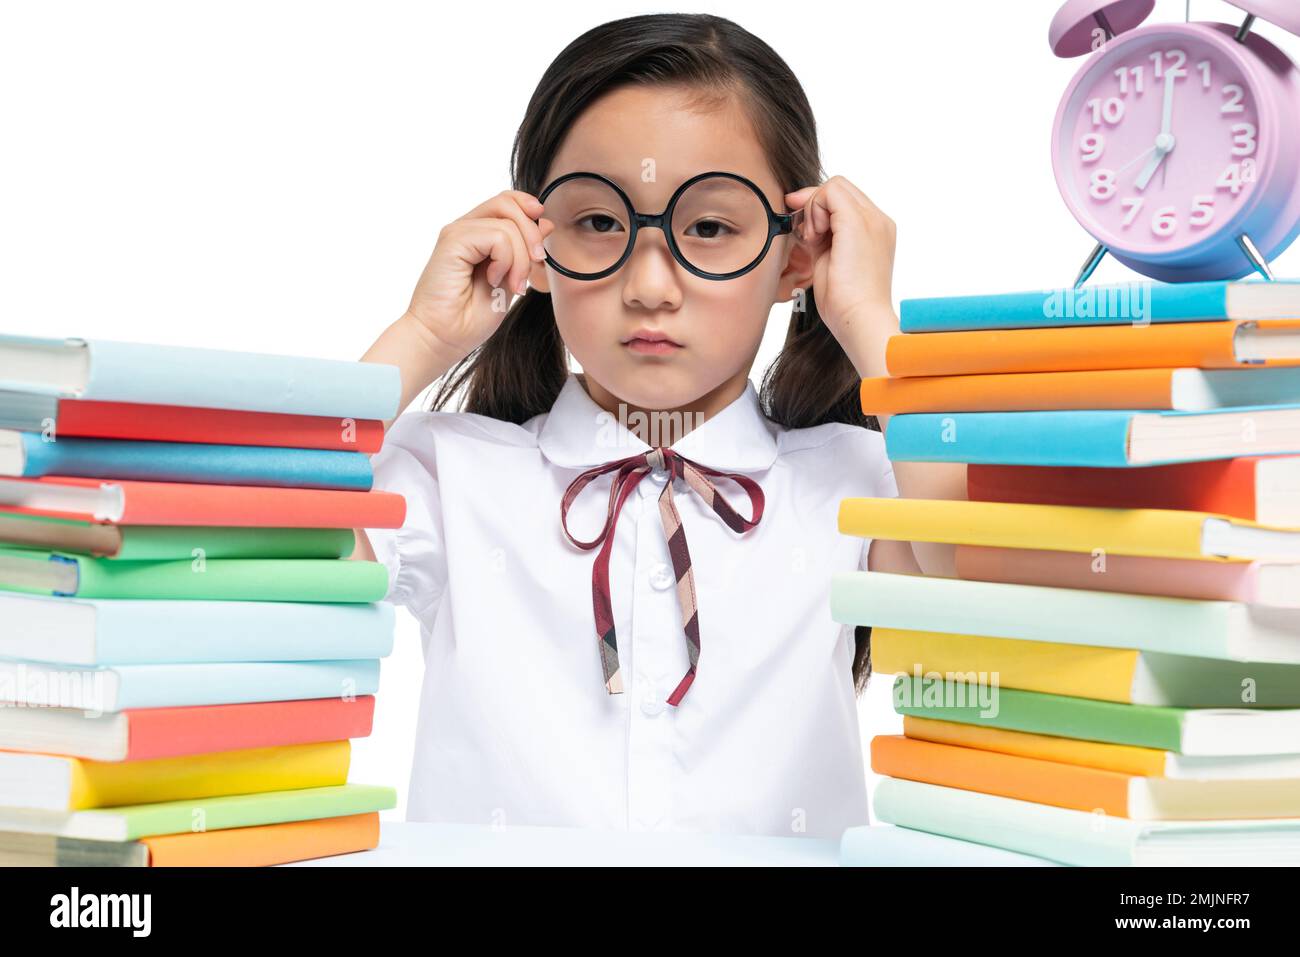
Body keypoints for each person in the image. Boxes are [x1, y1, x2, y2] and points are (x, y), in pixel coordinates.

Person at [352, 12, 963, 839]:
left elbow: (977, 570)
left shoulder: (856, 481)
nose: (648, 284)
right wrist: (421, 336)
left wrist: (868, 322)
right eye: (599, 221)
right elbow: (274, 536)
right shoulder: (447, 476)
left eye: (709, 227)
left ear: (793, 259)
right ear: (538, 241)